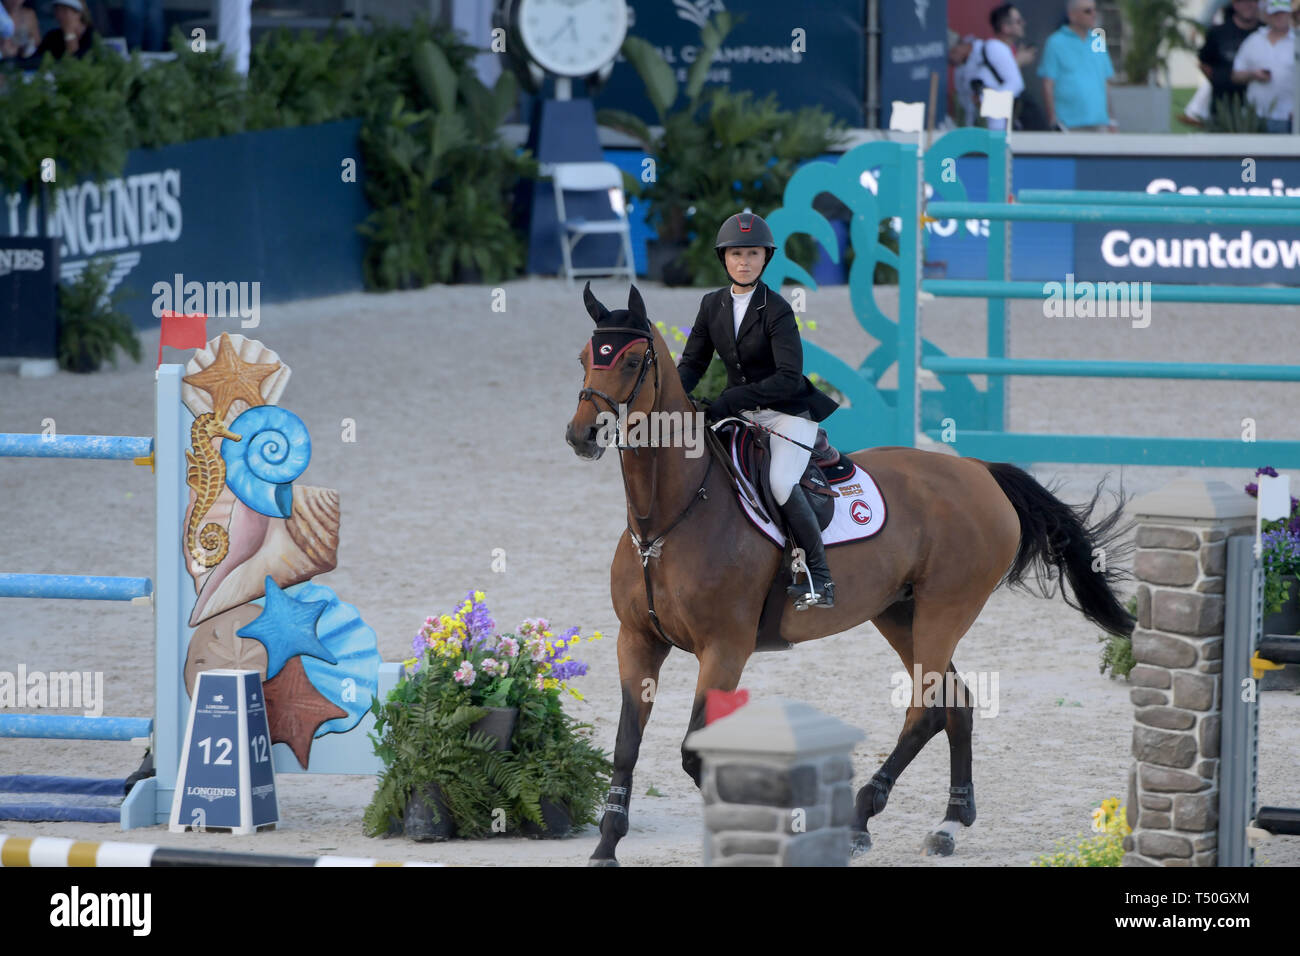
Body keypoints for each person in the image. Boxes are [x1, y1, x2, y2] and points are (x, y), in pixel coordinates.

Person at [675, 212, 841, 609]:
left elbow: (789, 376)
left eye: (752, 253)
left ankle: (820, 578)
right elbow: (694, 364)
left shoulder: (777, 309)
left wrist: (732, 399)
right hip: (742, 416)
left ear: (765, 258)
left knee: (781, 483)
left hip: (787, 416)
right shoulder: (711, 305)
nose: (744, 261)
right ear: (724, 259)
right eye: (736, 254)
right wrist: (675, 397)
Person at [1038, 0, 1117, 131]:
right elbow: (1048, 84)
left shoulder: (1098, 41)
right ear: (1072, 15)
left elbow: (1105, 82)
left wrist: (1112, 120)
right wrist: (1053, 120)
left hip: (1099, 123)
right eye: (1088, 11)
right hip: (1069, 124)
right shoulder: (1055, 42)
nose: (1093, 14)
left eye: (1094, 10)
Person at [1232, 0, 1296, 132]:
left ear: (1290, 15)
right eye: (1275, 14)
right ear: (1267, 16)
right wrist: (1252, 75)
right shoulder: (1253, 40)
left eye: (1283, 14)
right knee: (1253, 153)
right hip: (1255, 116)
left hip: (1288, 116)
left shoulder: (1297, 41)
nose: (1279, 18)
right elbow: (1236, 74)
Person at [1199, 0, 1261, 121]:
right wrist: (1219, 80)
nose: (1248, 5)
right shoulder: (1218, 33)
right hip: (1223, 104)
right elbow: (1204, 62)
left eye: (1253, 1)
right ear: (1235, 4)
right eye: (1243, 2)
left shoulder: (1264, 32)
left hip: (1257, 108)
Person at [972, 3, 1031, 130]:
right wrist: (990, 105)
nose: (1023, 24)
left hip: (994, 117)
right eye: (1018, 21)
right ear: (1005, 27)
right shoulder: (996, 47)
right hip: (995, 121)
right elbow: (1016, 83)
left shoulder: (996, 47)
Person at [22, 0, 93, 62]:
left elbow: (76, 61)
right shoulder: (52, 37)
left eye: (65, 11)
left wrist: (69, 33)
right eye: (57, 10)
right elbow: (36, 59)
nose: (60, 15)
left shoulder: (92, 36)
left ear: (78, 14)